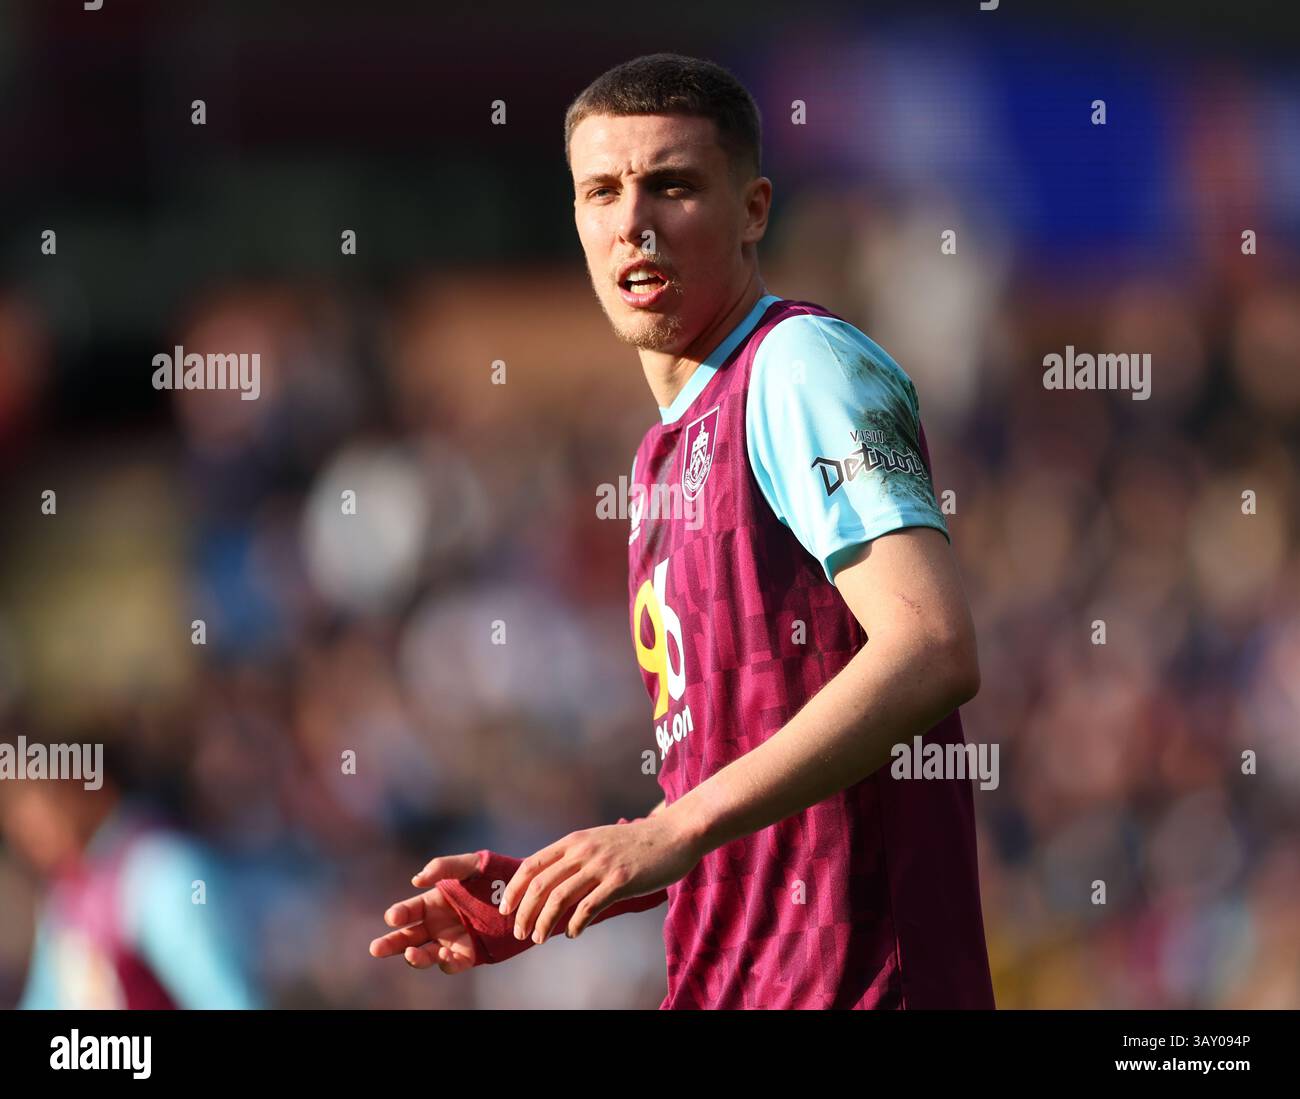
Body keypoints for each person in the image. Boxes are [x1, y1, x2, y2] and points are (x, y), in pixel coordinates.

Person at [371, 52, 995, 1009]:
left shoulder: (795, 366)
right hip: (733, 980)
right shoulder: (660, 462)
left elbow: (933, 644)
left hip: (855, 983)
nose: (634, 223)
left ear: (753, 210)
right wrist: (572, 882)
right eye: (602, 191)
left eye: (672, 185)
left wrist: (673, 830)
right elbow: (746, 782)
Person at [2, 736, 259, 1009]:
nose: (28, 829)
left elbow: (221, 996)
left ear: (88, 786)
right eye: (17, 817)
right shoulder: (65, 890)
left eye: (39, 805)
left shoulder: (163, 868)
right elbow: (49, 999)